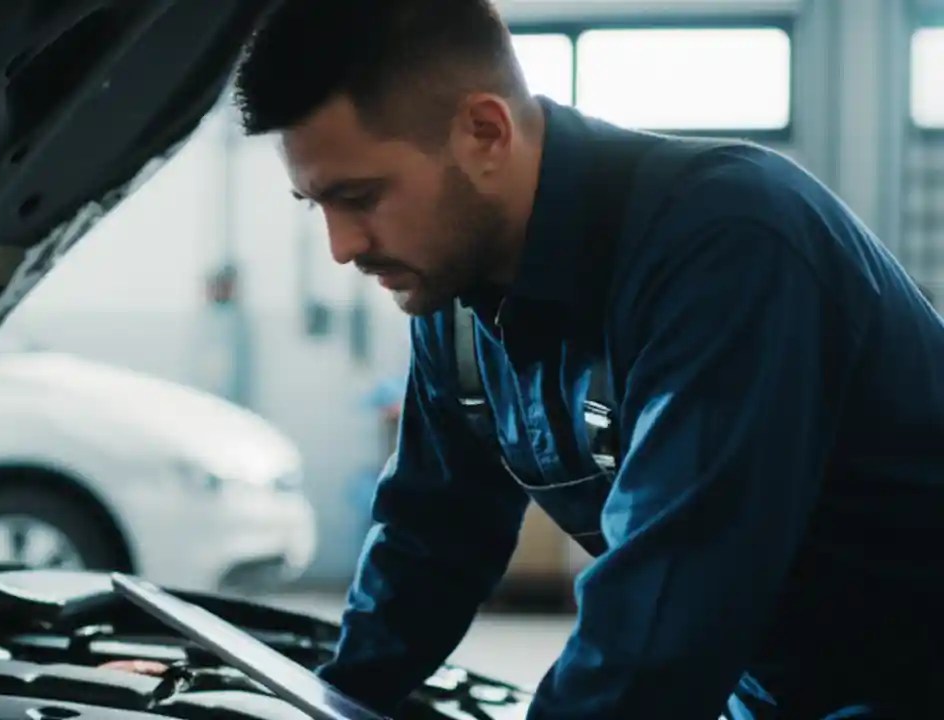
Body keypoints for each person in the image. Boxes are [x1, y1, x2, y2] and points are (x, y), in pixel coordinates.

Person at [231, 1, 944, 718]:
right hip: (774, 691)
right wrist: (332, 700)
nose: (342, 246)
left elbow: (665, 607)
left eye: (359, 197)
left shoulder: (731, 245)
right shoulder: (455, 293)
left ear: (485, 132)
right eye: (314, 204)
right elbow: (432, 535)